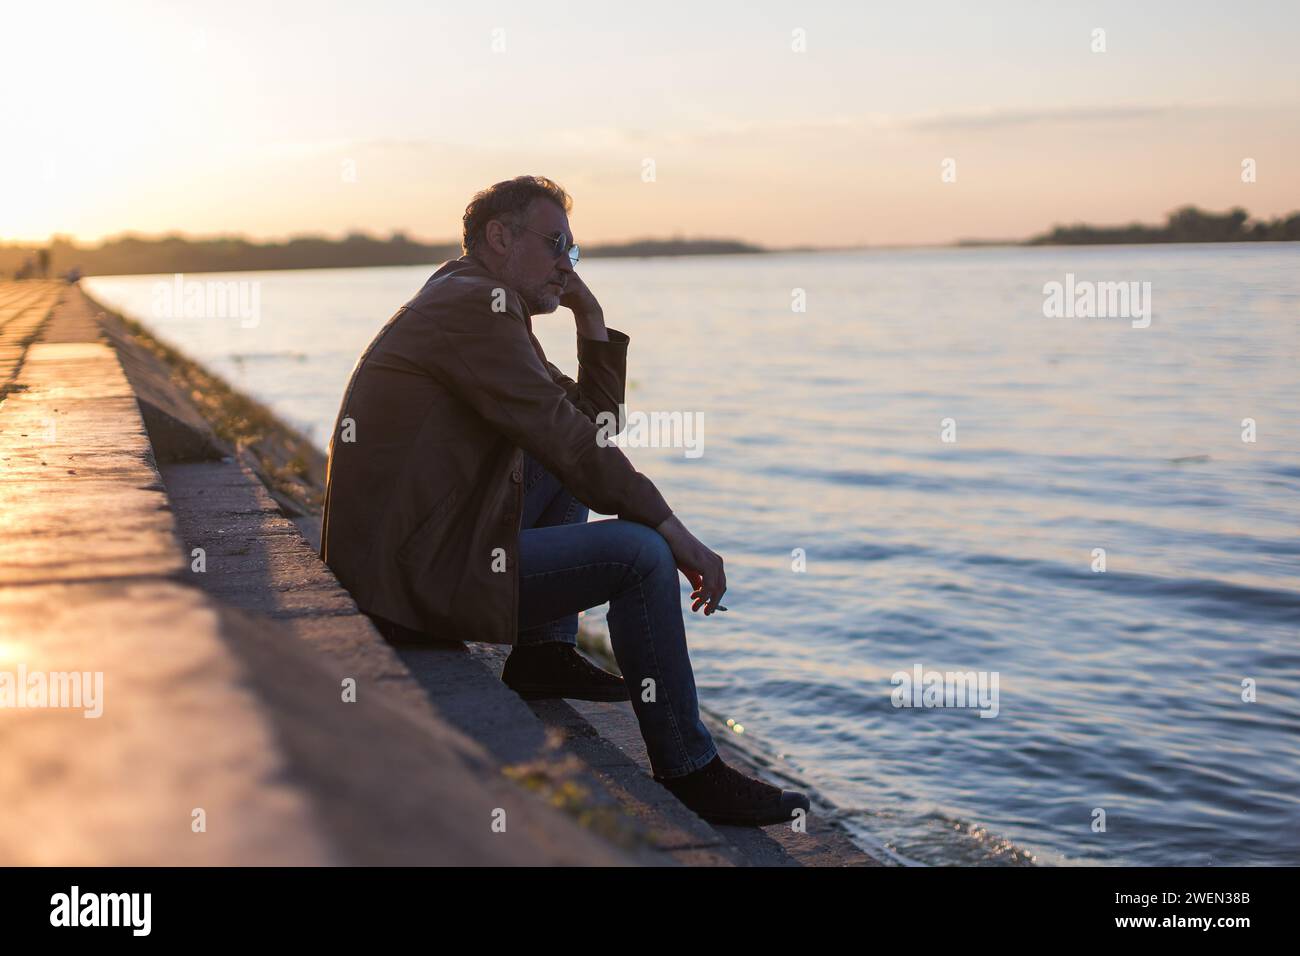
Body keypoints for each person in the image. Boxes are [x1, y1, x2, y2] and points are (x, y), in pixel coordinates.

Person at [320, 175, 809, 826]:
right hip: (408, 581)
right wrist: (679, 537)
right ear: (500, 238)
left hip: (405, 558)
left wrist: (591, 317)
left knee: (554, 456)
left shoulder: (474, 299)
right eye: (556, 245)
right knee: (641, 554)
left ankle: (544, 654)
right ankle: (691, 769)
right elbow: (581, 447)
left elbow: (591, 427)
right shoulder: (476, 308)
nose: (565, 264)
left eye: (573, 253)